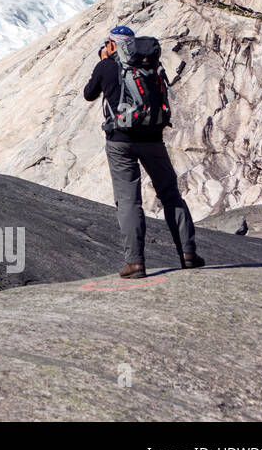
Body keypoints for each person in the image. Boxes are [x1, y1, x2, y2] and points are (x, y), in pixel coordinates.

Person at [83, 25, 204, 278]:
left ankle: (135, 263)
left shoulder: (106, 66)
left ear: (113, 45)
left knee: (129, 200)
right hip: (153, 139)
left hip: (120, 142)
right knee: (170, 195)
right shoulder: (150, 65)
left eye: (108, 43)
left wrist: (104, 63)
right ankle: (189, 254)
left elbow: (89, 94)